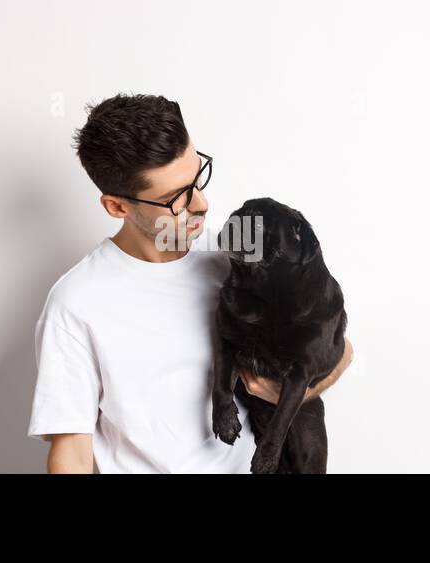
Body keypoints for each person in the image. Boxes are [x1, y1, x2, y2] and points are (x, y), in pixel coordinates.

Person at [26, 93, 354, 473]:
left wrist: (292, 391)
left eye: (197, 177)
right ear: (118, 207)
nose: (201, 204)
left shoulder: (237, 258)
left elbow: (338, 350)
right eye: (174, 199)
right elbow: (72, 453)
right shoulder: (77, 303)